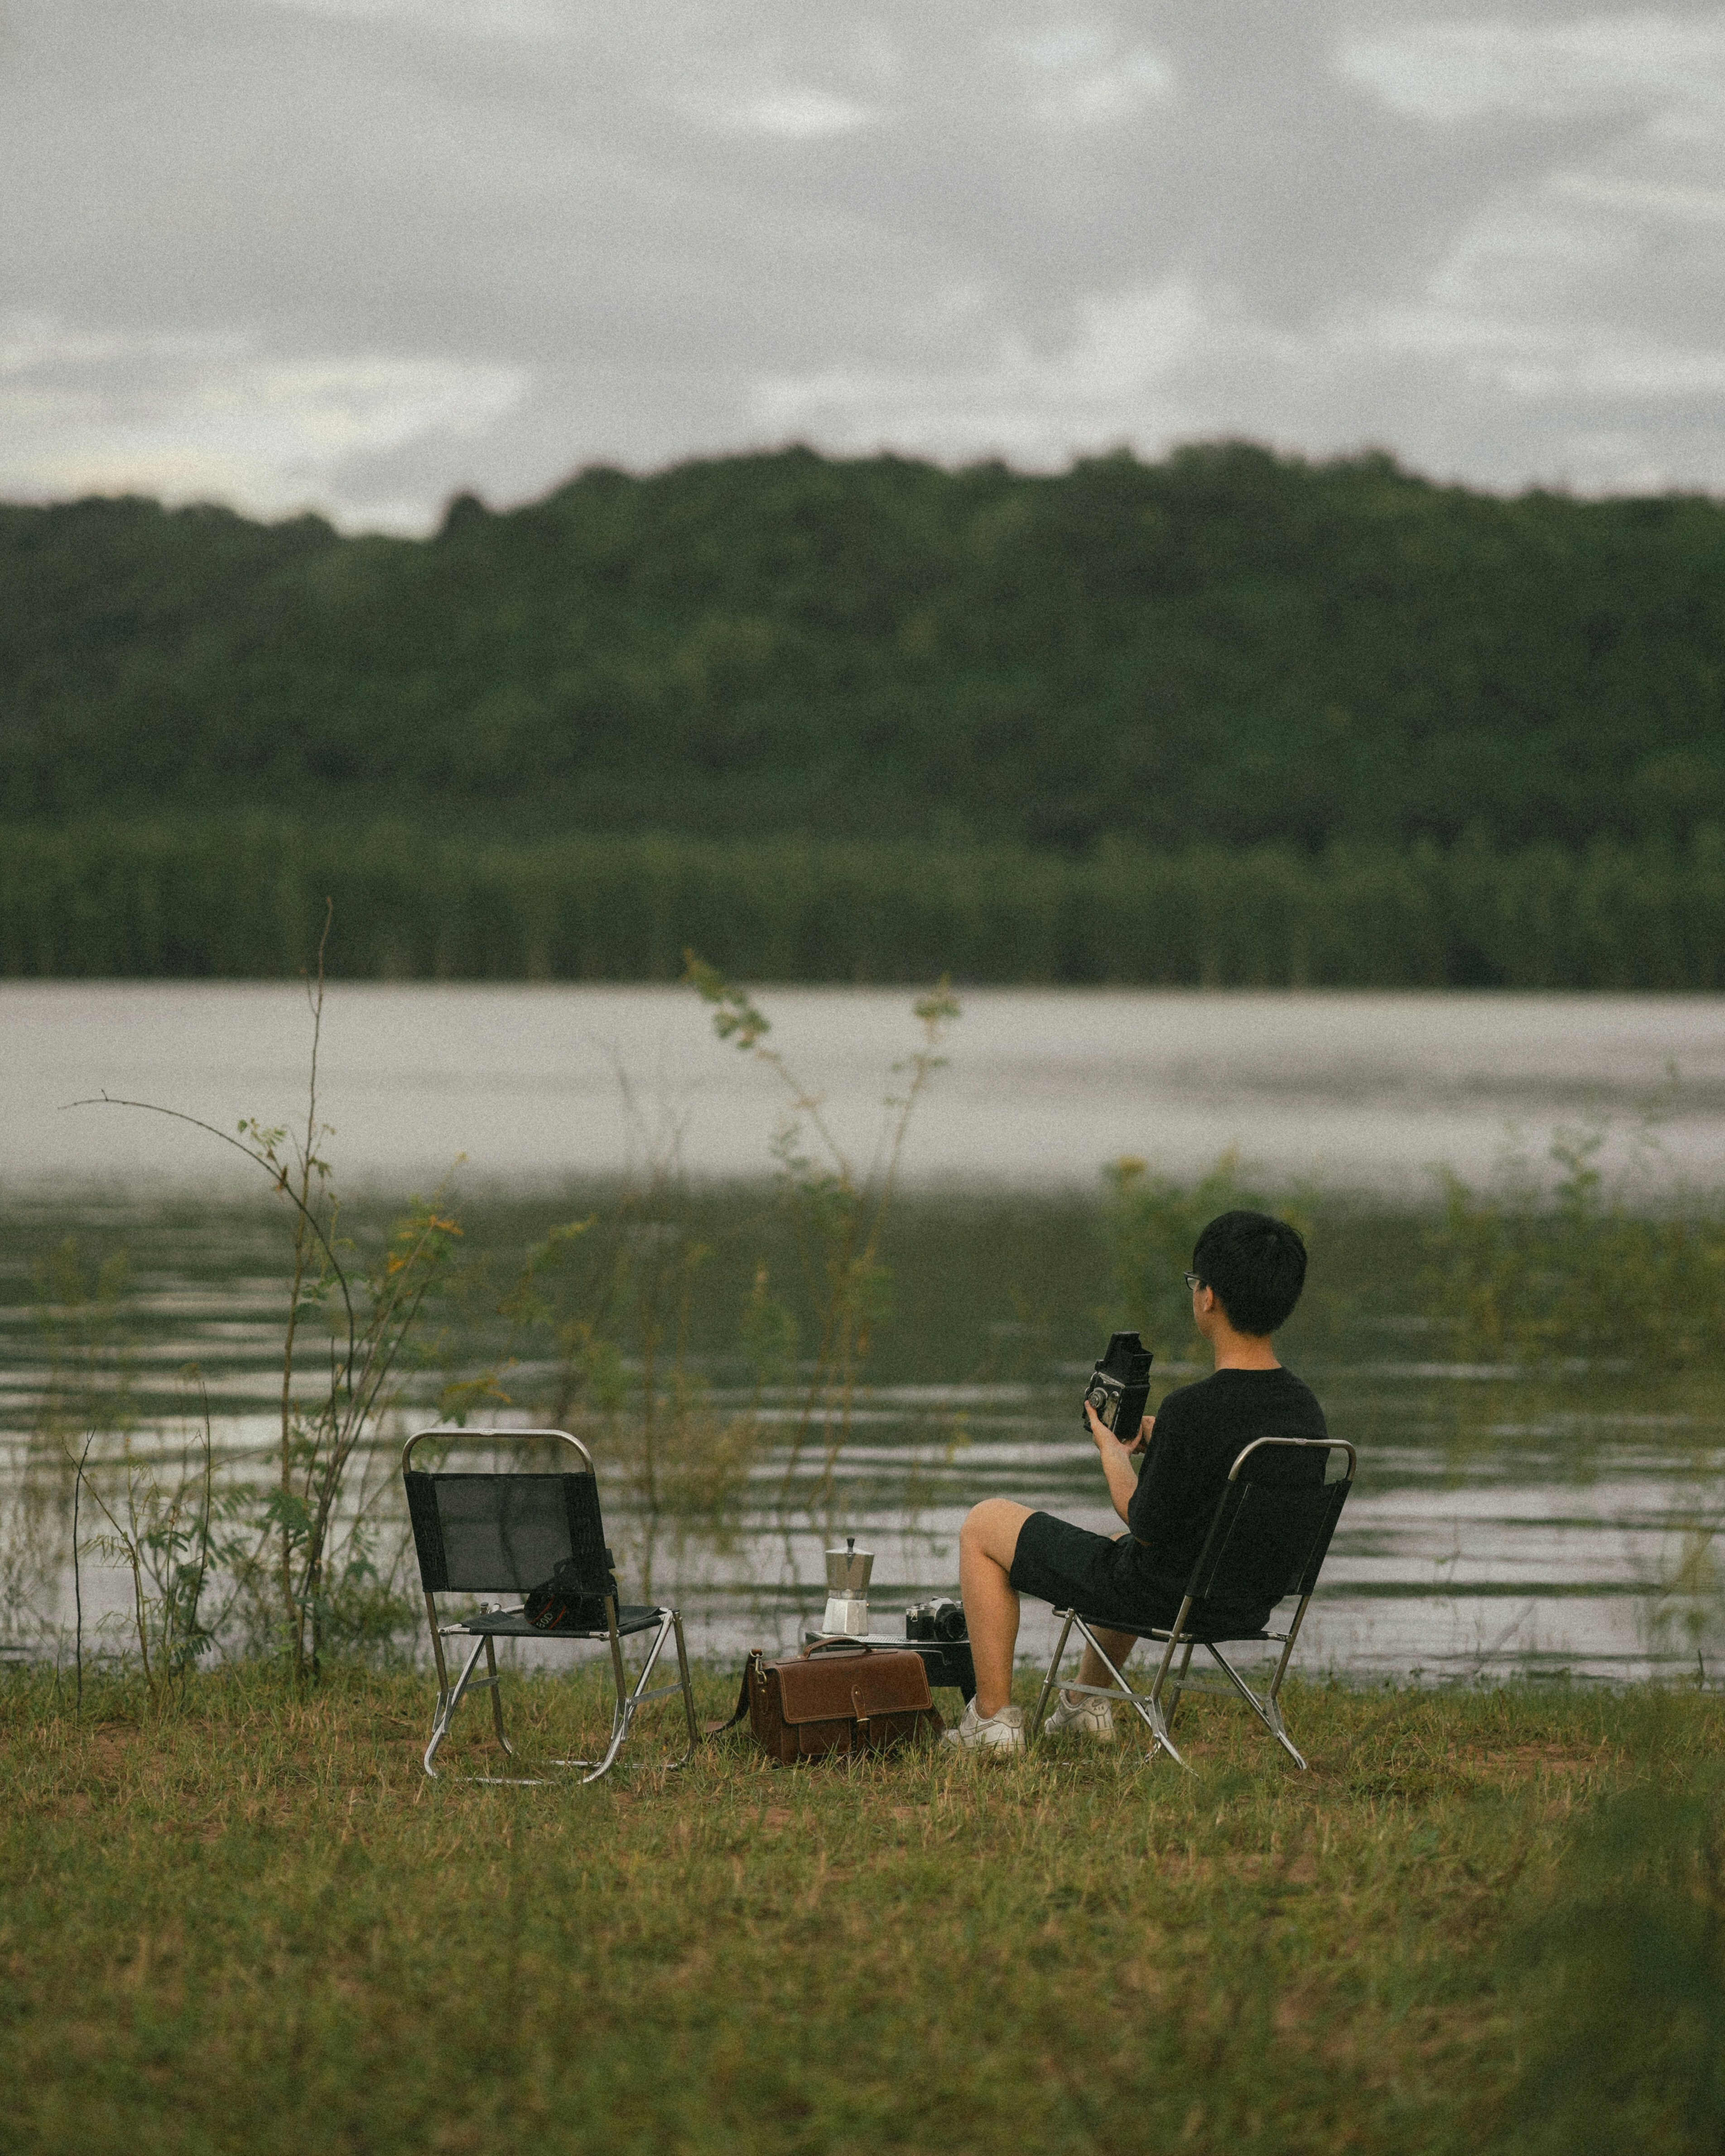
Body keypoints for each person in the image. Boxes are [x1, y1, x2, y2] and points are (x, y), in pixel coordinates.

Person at [944, 1208, 1328, 1753]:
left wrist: (1111, 1450)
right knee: (1122, 1551)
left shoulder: (1194, 1409)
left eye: (1195, 1283)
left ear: (1208, 1297)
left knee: (985, 1525)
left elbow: (1144, 1520)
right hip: (1248, 1601)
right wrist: (1160, 1439)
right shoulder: (1304, 1409)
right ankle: (1081, 1707)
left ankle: (991, 1721)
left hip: (1167, 1598)